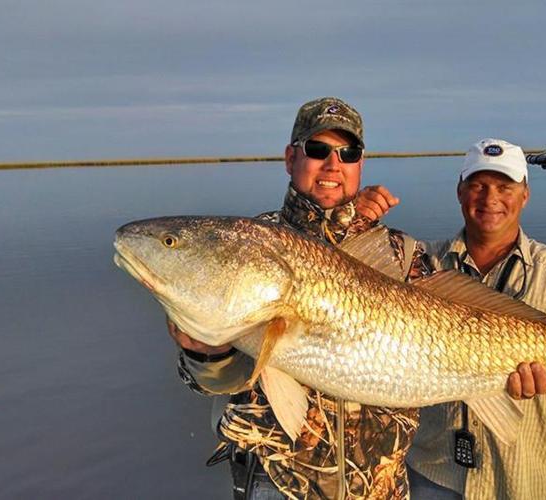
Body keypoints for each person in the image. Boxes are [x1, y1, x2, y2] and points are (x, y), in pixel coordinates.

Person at [169, 97, 432, 499]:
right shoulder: (247, 246)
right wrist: (206, 355)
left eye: (348, 153)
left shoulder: (404, 255)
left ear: (361, 164)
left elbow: (456, 342)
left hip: (381, 488)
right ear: (290, 158)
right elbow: (211, 382)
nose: (332, 164)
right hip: (277, 485)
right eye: (317, 149)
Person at [359, 138, 546, 499]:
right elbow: (340, 279)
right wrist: (351, 215)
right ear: (460, 192)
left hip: (529, 482)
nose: (490, 198)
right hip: (435, 476)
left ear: (525, 194)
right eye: (477, 185)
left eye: (505, 186)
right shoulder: (419, 265)